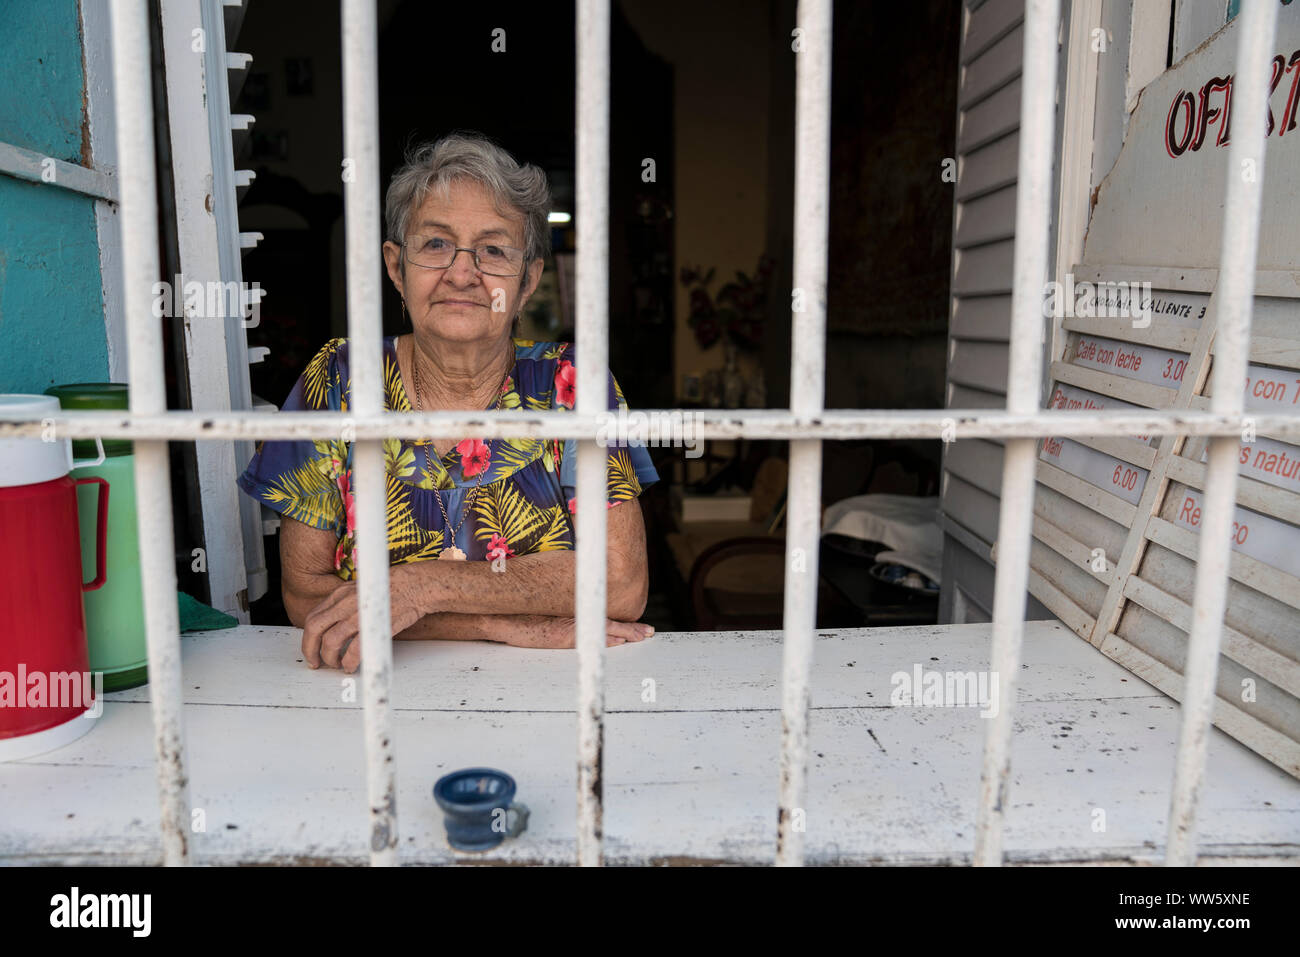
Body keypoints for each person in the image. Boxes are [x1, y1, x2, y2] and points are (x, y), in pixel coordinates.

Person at [236, 132, 658, 672]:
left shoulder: (571, 384)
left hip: (545, 695)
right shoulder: (339, 383)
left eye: (494, 250)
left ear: (527, 280)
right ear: (396, 267)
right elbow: (306, 597)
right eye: (435, 244)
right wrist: (496, 626)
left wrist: (420, 585)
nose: (463, 273)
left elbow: (620, 587)